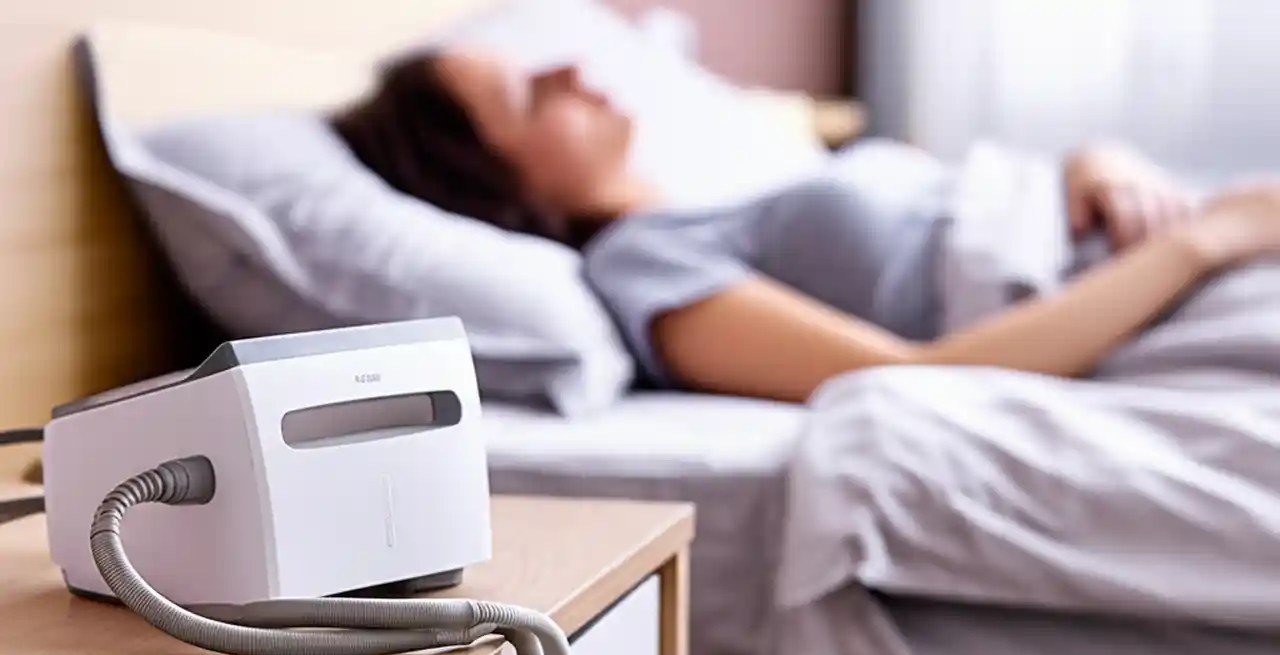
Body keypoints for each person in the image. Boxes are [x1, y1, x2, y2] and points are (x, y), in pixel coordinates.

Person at [333, 51, 1280, 403]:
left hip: (1166, 242)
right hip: (1167, 290)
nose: (576, 72)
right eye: (531, 96)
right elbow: (910, 381)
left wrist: (1096, 161)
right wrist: (1198, 246)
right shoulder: (640, 265)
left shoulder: (743, 186)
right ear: (495, 184)